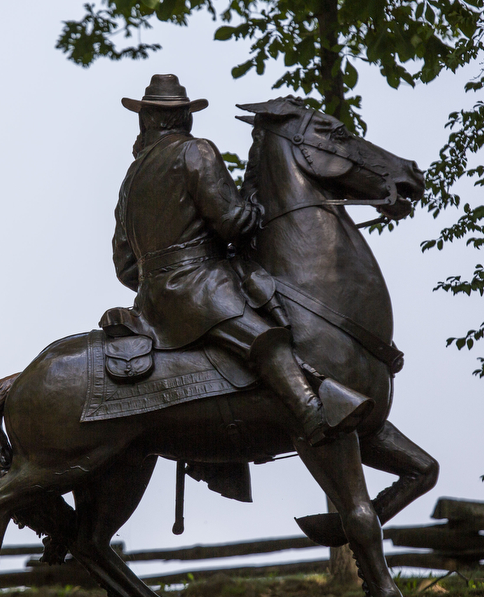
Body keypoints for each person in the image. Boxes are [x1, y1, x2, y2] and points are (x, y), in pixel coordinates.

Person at [109, 74, 360, 446]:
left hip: (151, 301)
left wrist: (160, 277)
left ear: (145, 120)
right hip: (201, 291)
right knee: (266, 339)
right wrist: (255, 208)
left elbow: (125, 264)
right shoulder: (195, 152)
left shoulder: (131, 177)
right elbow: (231, 222)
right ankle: (312, 413)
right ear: (184, 118)